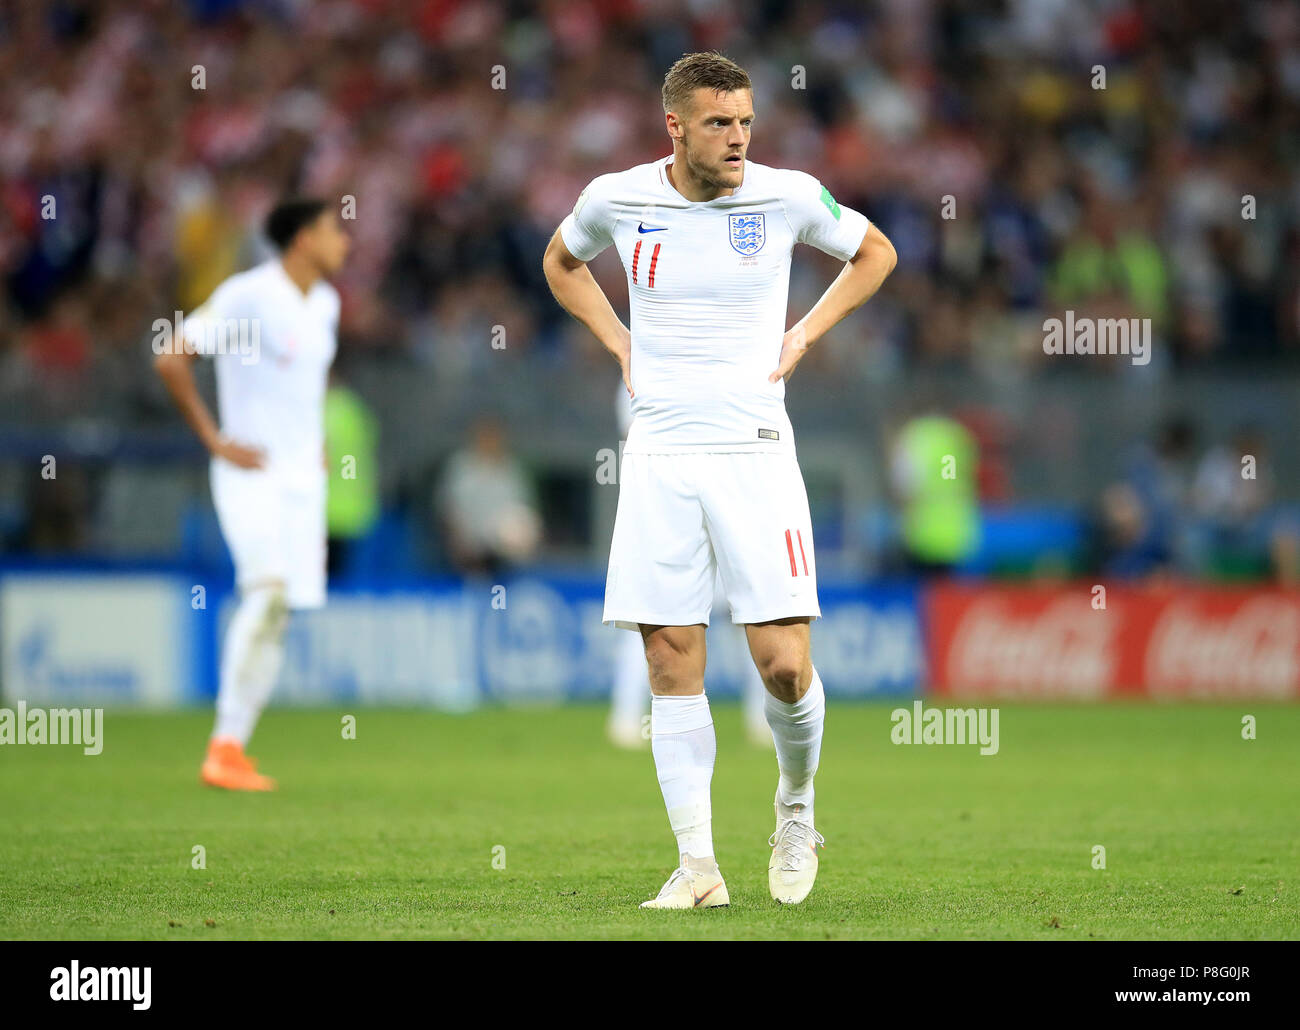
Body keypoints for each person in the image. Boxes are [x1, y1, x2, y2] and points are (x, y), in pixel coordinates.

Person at [543, 52, 896, 908]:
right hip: (661, 451)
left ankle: (797, 804)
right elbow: (561, 262)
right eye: (718, 124)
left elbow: (876, 253)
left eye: (744, 121)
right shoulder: (619, 198)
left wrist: (806, 332)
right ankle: (698, 867)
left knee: (780, 665)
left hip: (753, 449)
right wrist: (619, 339)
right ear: (675, 128)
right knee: (671, 659)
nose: (737, 138)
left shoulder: (782, 195)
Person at [154, 197, 349, 791]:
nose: (345, 241)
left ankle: (233, 745)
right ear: (301, 239)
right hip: (251, 472)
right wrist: (214, 438)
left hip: (300, 481)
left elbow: (302, 384)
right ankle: (221, 746)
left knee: (280, 612)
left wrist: (312, 442)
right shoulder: (250, 295)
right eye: (333, 230)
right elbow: (172, 356)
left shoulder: (325, 304)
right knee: (265, 593)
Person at [606, 381, 771, 750]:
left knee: (749, 615)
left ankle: (761, 718)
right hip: (671, 515)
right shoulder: (642, 367)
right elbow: (634, 436)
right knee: (648, 621)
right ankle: (626, 718)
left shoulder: (724, 361)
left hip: (726, 514)